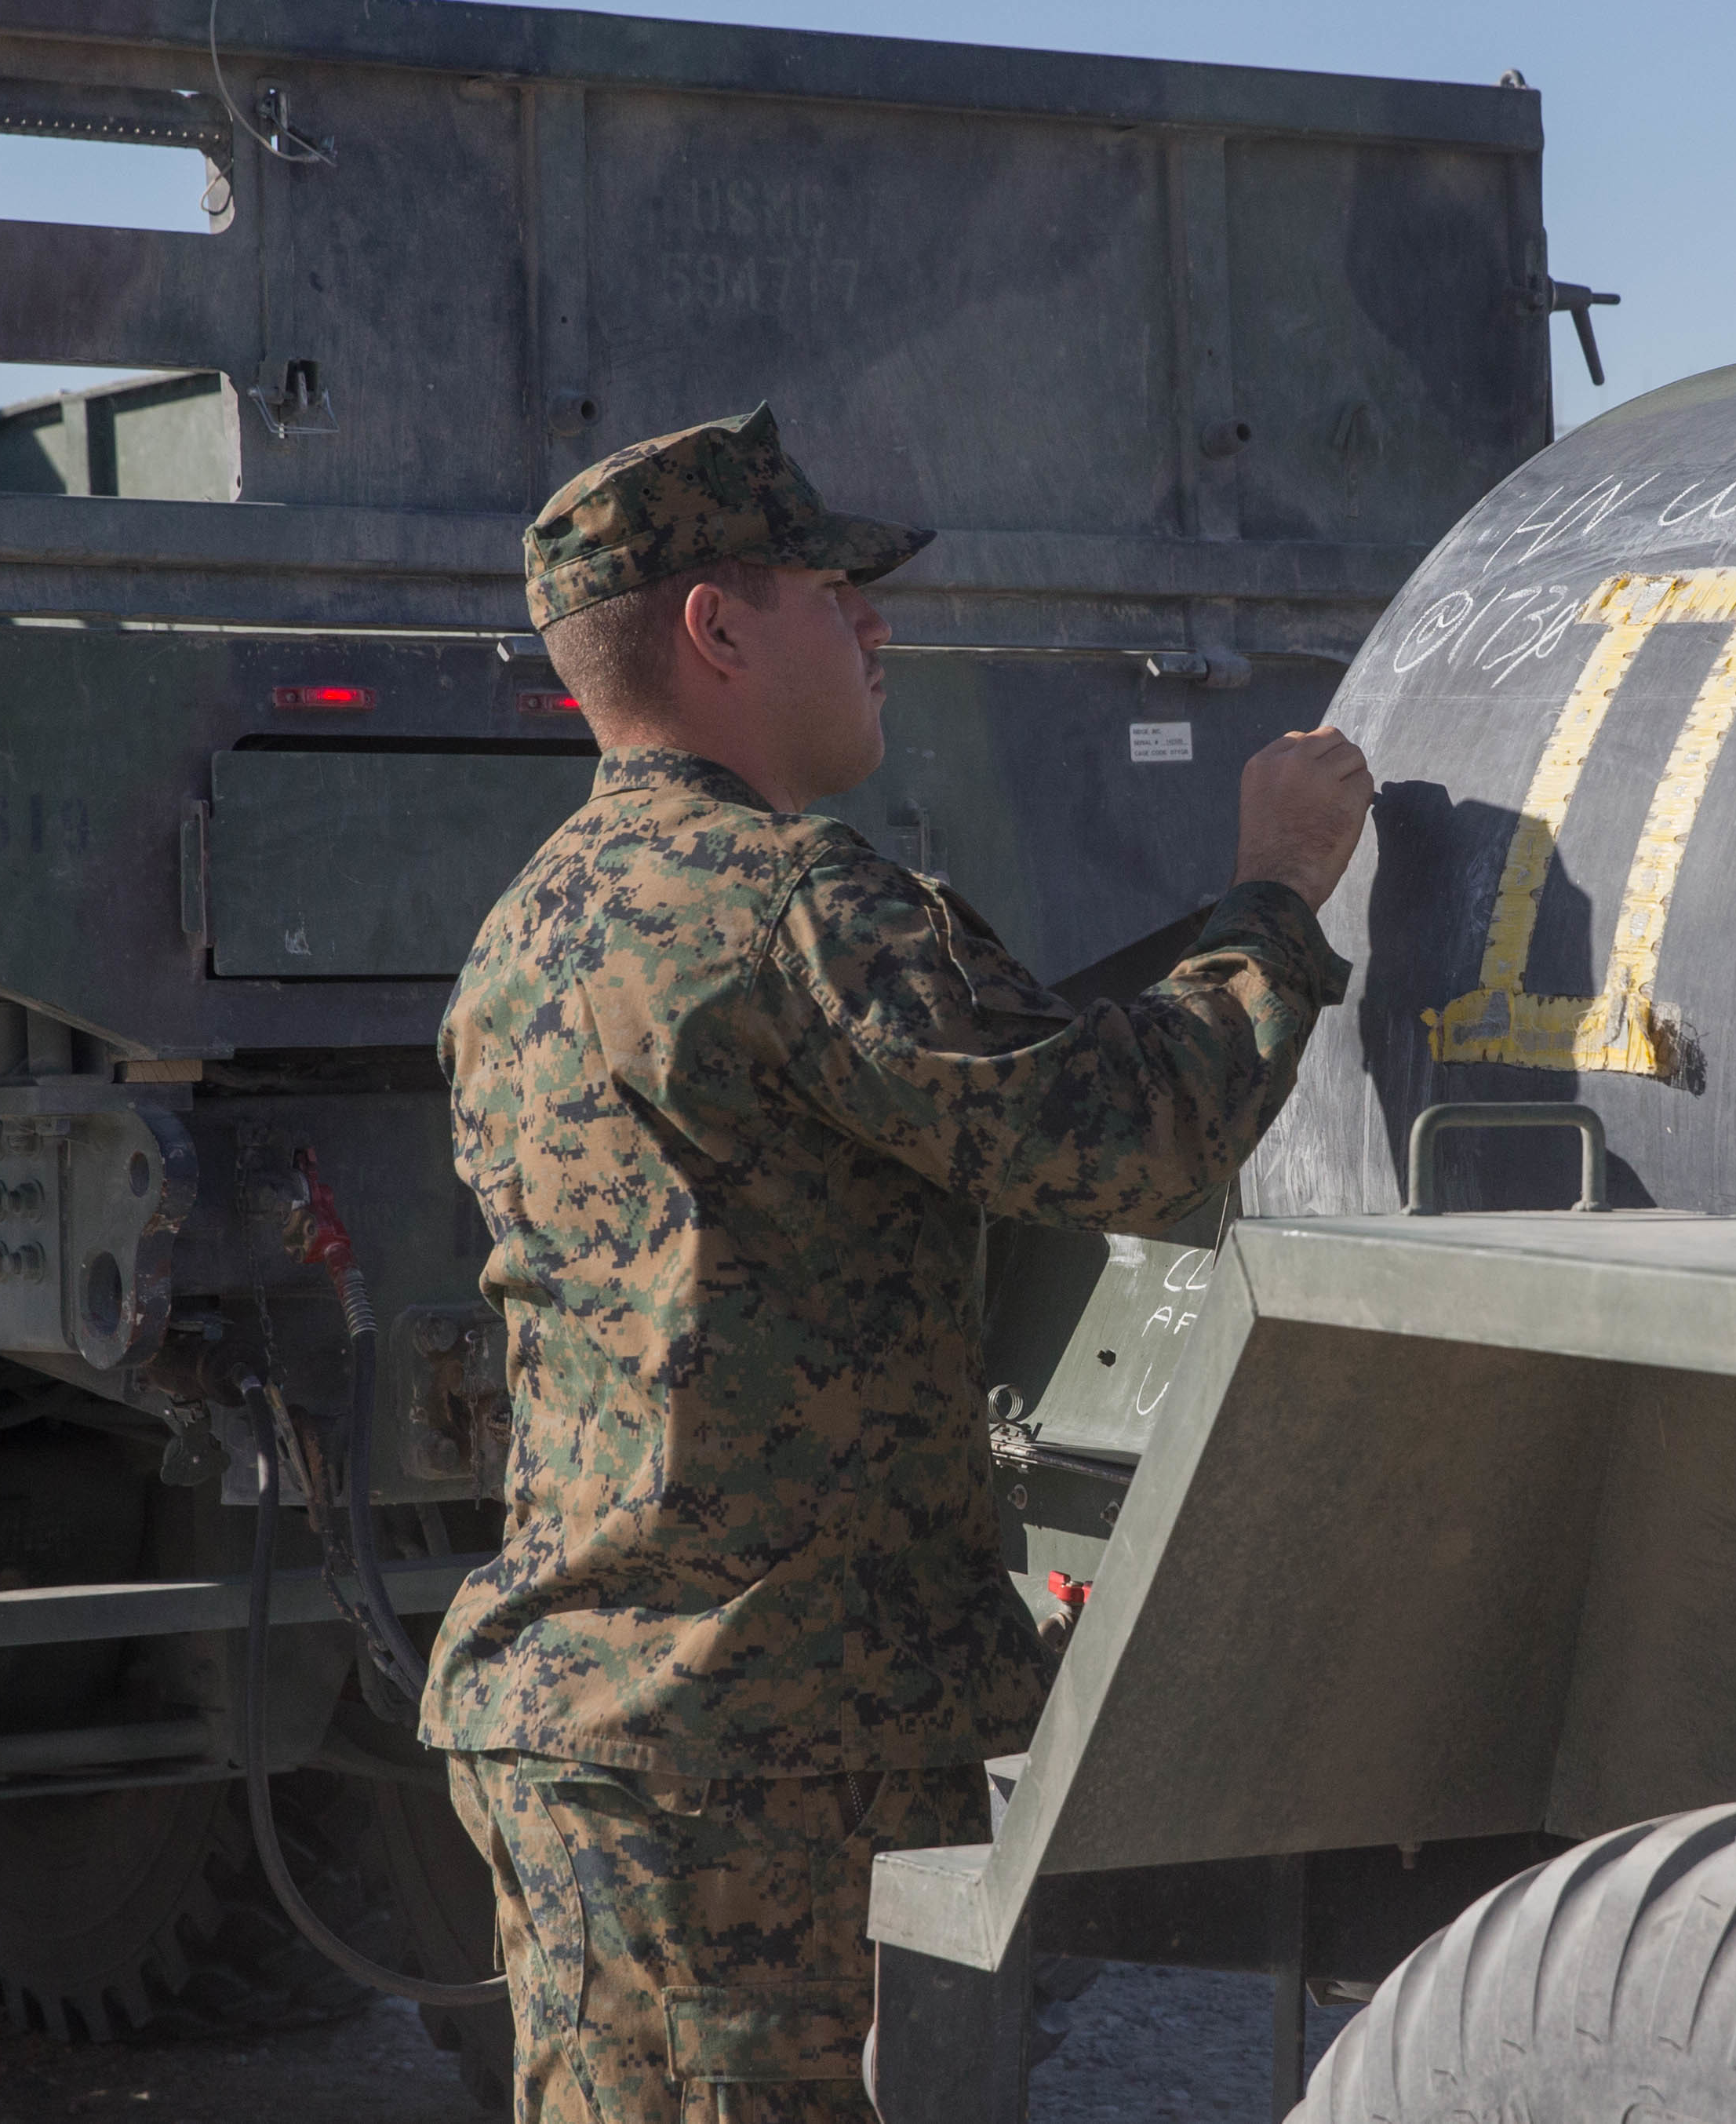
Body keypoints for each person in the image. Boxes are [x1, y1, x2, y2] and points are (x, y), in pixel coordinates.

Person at [421, 405, 1370, 2123]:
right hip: (757, 1757)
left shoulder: (529, 925)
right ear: (714, 628)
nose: (879, 628)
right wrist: (1275, 893)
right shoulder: (794, 904)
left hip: (581, 1734)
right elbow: (1127, 1132)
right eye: (830, 592)